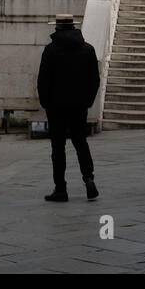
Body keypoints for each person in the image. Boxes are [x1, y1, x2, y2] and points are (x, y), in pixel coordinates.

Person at [36, 14, 102, 202]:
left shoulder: (50, 50)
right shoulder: (88, 50)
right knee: (80, 142)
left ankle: (61, 188)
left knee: (58, 147)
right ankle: (88, 179)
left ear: (57, 29)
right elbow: (94, 80)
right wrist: (87, 101)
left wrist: (45, 102)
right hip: (79, 105)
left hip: (56, 106)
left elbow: (43, 80)